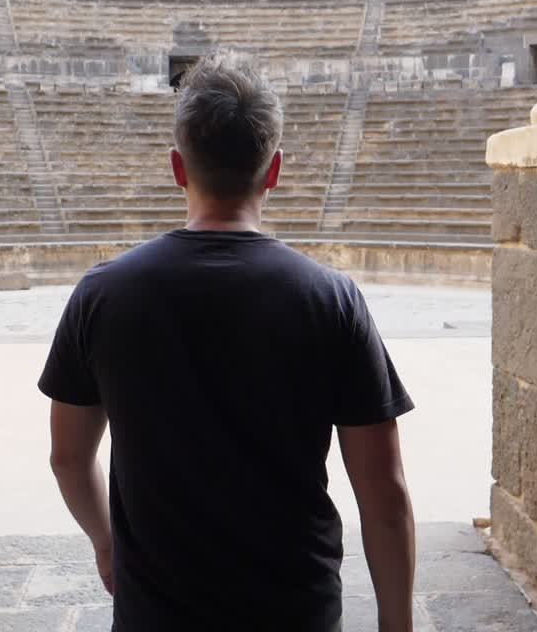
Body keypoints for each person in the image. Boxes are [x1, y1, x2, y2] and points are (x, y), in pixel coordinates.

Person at [39, 55, 416, 632]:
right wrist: (398, 625)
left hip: (155, 615)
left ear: (177, 167)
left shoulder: (102, 295)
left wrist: (107, 542)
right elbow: (384, 494)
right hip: (296, 611)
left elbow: (68, 459)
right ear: (274, 170)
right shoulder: (332, 299)